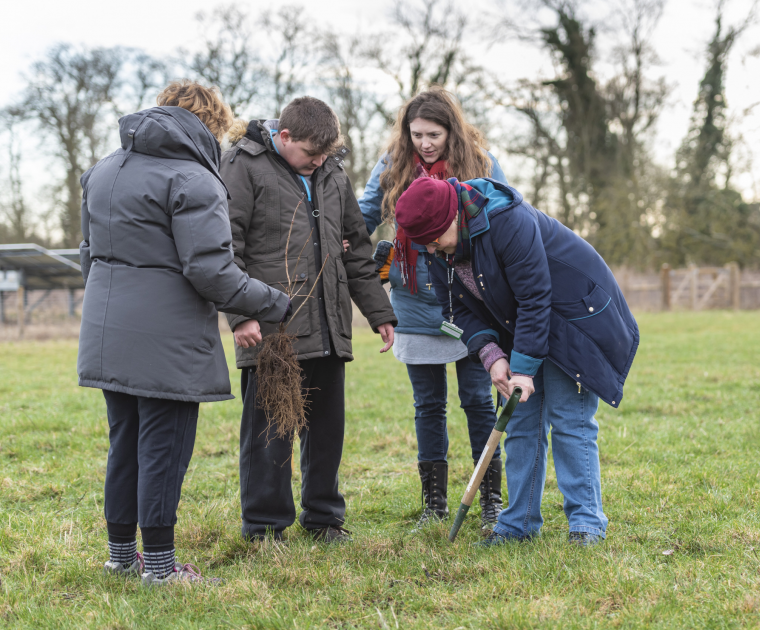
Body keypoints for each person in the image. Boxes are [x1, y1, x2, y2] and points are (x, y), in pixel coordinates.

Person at [78, 81, 292, 585]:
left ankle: (120, 557)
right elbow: (211, 271)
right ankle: (159, 567)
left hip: (107, 330)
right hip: (167, 339)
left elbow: (90, 257)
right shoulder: (194, 178)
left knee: (124, 443)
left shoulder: (104, 170)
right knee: (163, 448)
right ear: (209, 124)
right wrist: (273, 302)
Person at [395, 176, 640, 546]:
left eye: (433, 239)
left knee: (569, 419)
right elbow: (454, 310)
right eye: (424, 243)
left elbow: (535, 297)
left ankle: (587, 524)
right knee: (521, 423)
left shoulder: (507, 220)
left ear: (452, 217)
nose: (430, 248)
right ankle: (518, 525)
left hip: (572, 319)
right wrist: (492, 356)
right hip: (520, 326)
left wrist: (523, 369)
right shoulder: (438, 248)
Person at [221, 97, 396, 543]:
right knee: (270, 434)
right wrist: (240, 315)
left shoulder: (332, 172)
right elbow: (226, 247)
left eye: (325, 154)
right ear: (284, 137)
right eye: (311, 153)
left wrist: (378, 312)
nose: (318, 161)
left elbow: (356, 249)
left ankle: (323, 519)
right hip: (272, 331)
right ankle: (265, 527)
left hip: (329, 326)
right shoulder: (243, 166)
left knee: (326, 434)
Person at [358, 87, 509, 531]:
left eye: (434, 135)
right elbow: (361, 217)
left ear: (452, 132)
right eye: (417, 134)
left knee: (477, 401)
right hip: (412, 300)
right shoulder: (392, 165)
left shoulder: (481, 162)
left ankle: (491, 501)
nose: (424, 143)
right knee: (428, 404)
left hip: (469, 300)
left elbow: (506, 215)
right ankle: (434, 504)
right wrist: (338, 242)